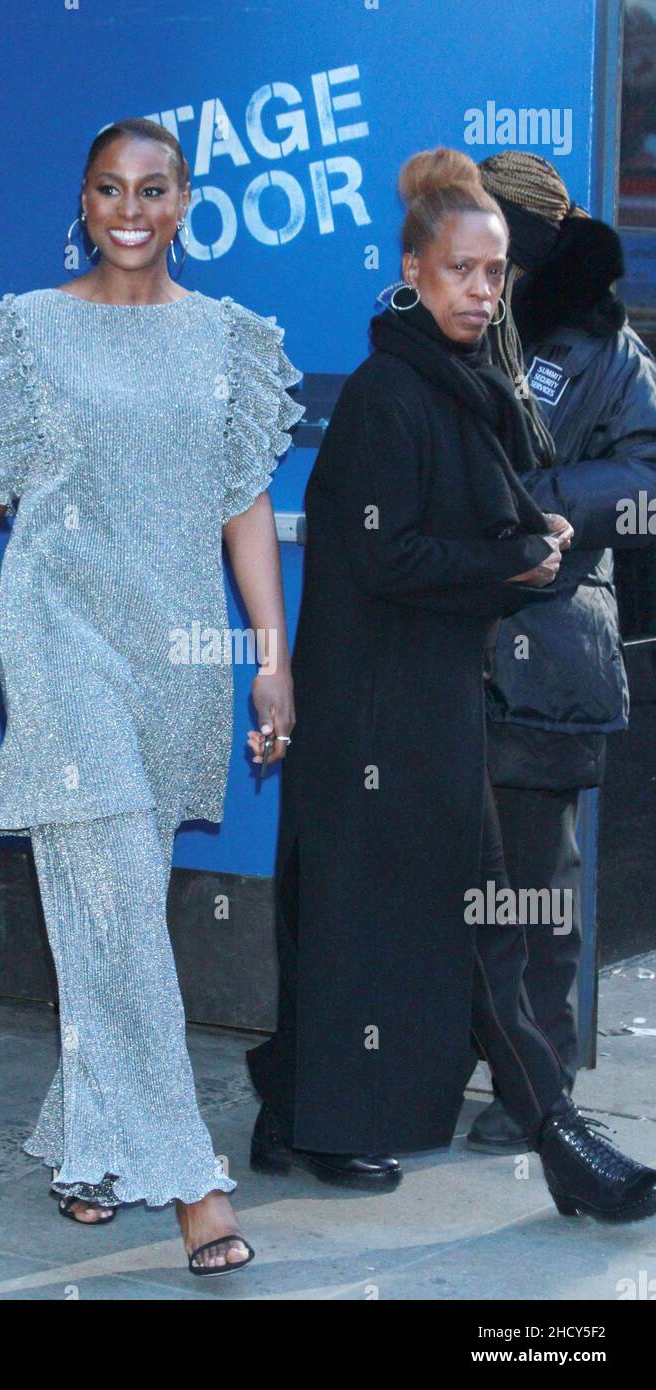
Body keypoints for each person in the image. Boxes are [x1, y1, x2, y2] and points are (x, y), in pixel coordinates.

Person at [0, 118, 304, 1276]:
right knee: (116, 896)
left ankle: (88, 1148)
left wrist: (271, 654)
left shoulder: (226, 341)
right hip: (57, 633)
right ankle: (191, 1185)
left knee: (109, 906)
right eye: (111, 189)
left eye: (154, 188)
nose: (131, 207)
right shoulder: (29, 331)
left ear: (184, 201)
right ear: (86, 200)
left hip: (170, 650)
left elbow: (243, 505)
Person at [246, 147, 656, 1224]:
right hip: (378, 709)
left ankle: (304, 1110)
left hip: (433, 704)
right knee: (366, 921)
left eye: (497, 272)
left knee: (456, 928)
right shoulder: (392, 391)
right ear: (414, 270)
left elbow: (478, 513)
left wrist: (539, 527)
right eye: (464, 270)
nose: (484, 290)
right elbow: (392, 558)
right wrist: (512, 564)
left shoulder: (472, 380)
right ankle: (518, 1134)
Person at [462, 151, 656, 1153]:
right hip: (442, 640)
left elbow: (647, 475)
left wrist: (542, 505)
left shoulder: (605, 351)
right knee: (435, 869)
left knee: (535, 883)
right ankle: (432, 1055)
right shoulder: (437, 309)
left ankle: (532, 1088)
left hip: (550, 639)